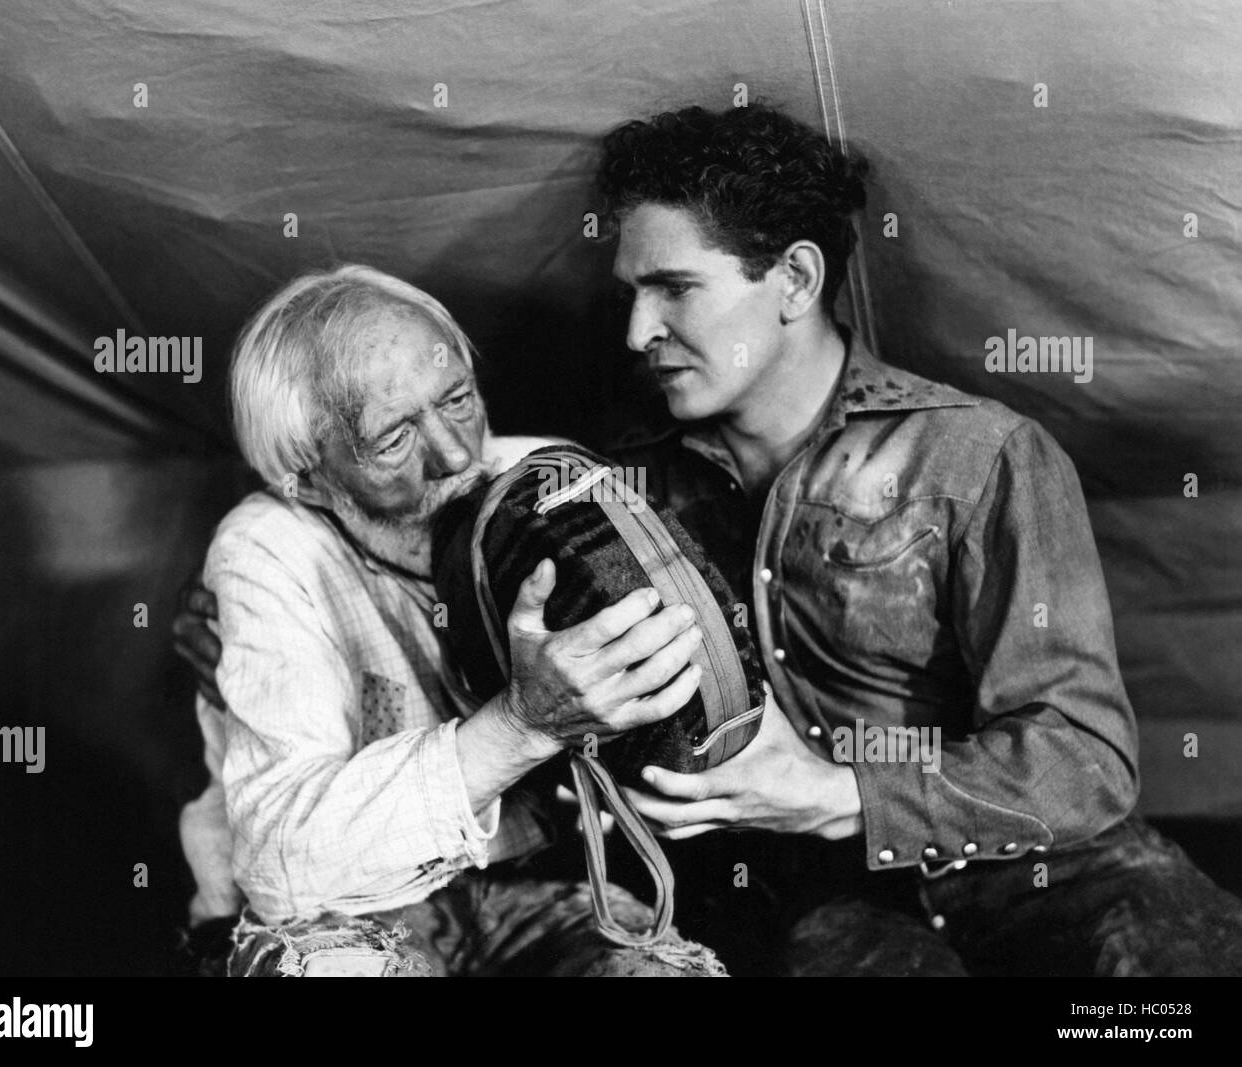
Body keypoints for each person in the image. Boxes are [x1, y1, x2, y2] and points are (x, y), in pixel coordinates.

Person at [178, 104, 1242, 976]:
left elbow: (1084, 760)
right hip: (799, 896)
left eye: (675, 288)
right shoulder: (609, 490)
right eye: (631, 294)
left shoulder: (980, 455)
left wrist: (841, 792)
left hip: (1038, 863)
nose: (637, 331)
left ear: (796, 282)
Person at [176, 263, 726, 976]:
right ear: (309, 480)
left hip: (536, 886)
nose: (459, 456)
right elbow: (285, 865)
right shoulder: (266, 547)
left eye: (458, 398)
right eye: (393, 439)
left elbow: (689, 729)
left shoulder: (545, 480)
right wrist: (522, 725)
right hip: (340, 913)